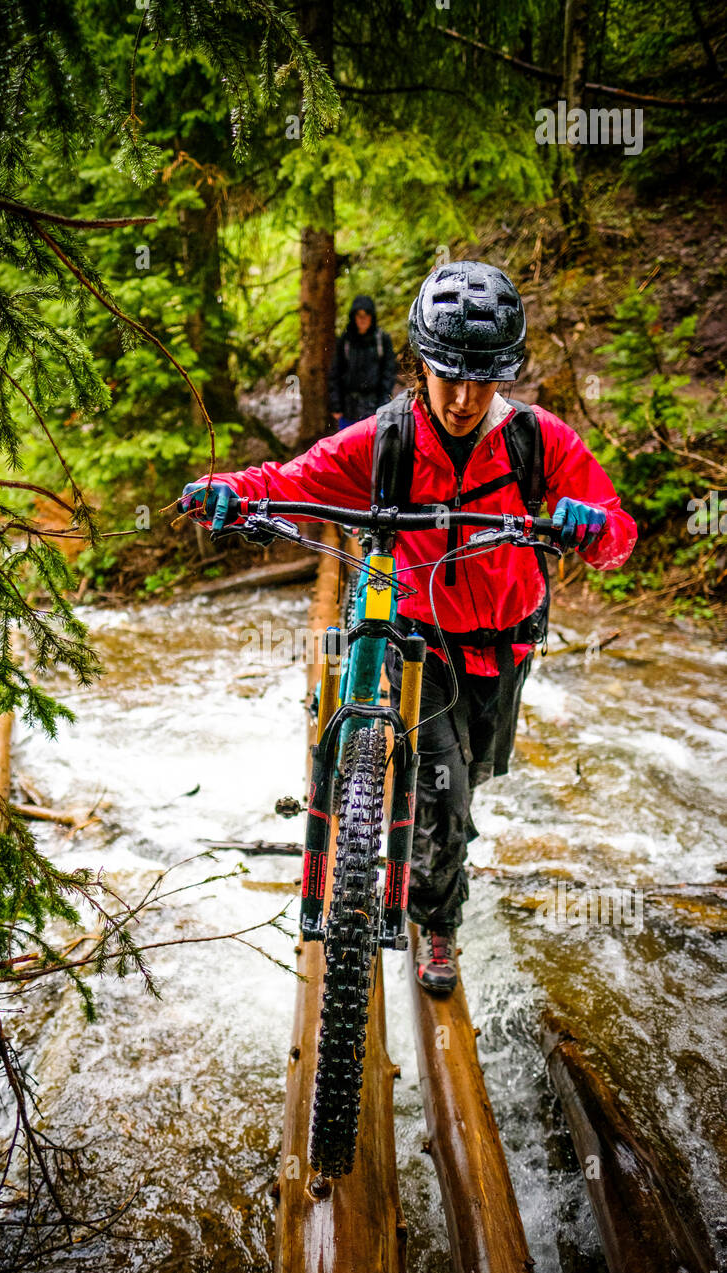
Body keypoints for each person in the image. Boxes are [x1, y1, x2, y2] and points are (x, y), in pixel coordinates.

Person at [178, 260, 637, 995]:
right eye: (447, 375)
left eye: (482, 379)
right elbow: (294, 482)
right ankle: (440, 924)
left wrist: (592, 527)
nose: (462, 398)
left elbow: (619, 535)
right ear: (420, 364)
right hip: (417, 642)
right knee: (444, 790)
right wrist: (230, 494)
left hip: (504, 644)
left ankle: (431, 835)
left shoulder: (537, 441)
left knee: (472, 777)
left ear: (505, 377)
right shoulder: (384, 439)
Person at [328, 294, 396, 428]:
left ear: (372, 317)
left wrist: (384, 404)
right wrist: (336, 405)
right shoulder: (345, 341)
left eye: (366, 315)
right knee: (348, 447)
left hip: (375, 407)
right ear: (353, 317)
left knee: (372, 447)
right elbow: (336, 373)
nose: (362, 319)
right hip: (348, 408)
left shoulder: (382, 340)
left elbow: (388, 374)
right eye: (359, 315)